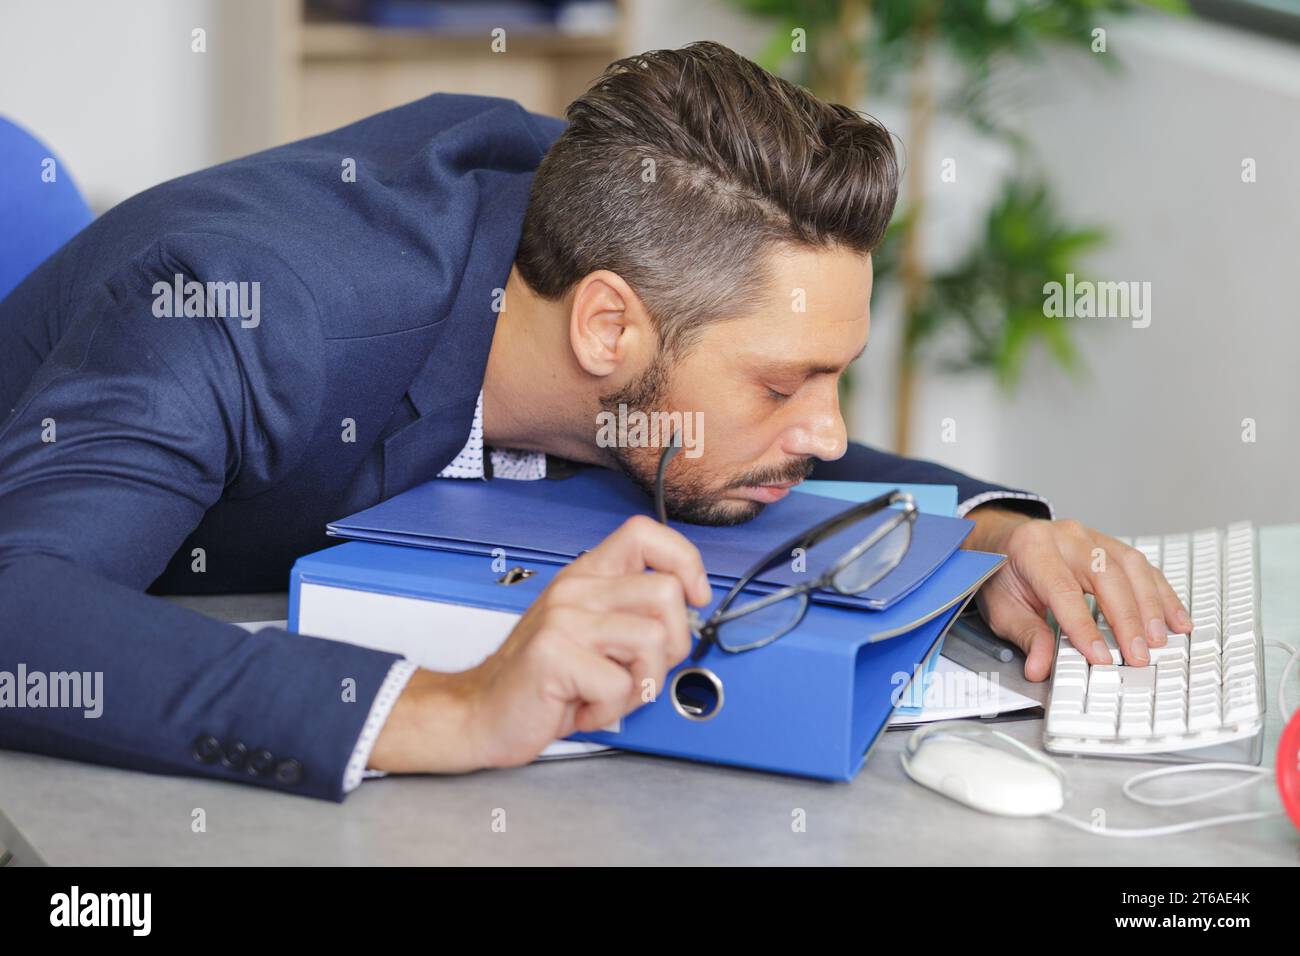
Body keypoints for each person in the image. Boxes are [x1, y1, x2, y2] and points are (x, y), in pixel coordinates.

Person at [0, 42, 1189, 800]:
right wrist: (452, 705)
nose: (825, 432)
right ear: (608, 331)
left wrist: (980, 538)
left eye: (836, 378)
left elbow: (724, 441)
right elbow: (18, 615)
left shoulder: (596, 233)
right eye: (784, 386)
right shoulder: (248, 317)